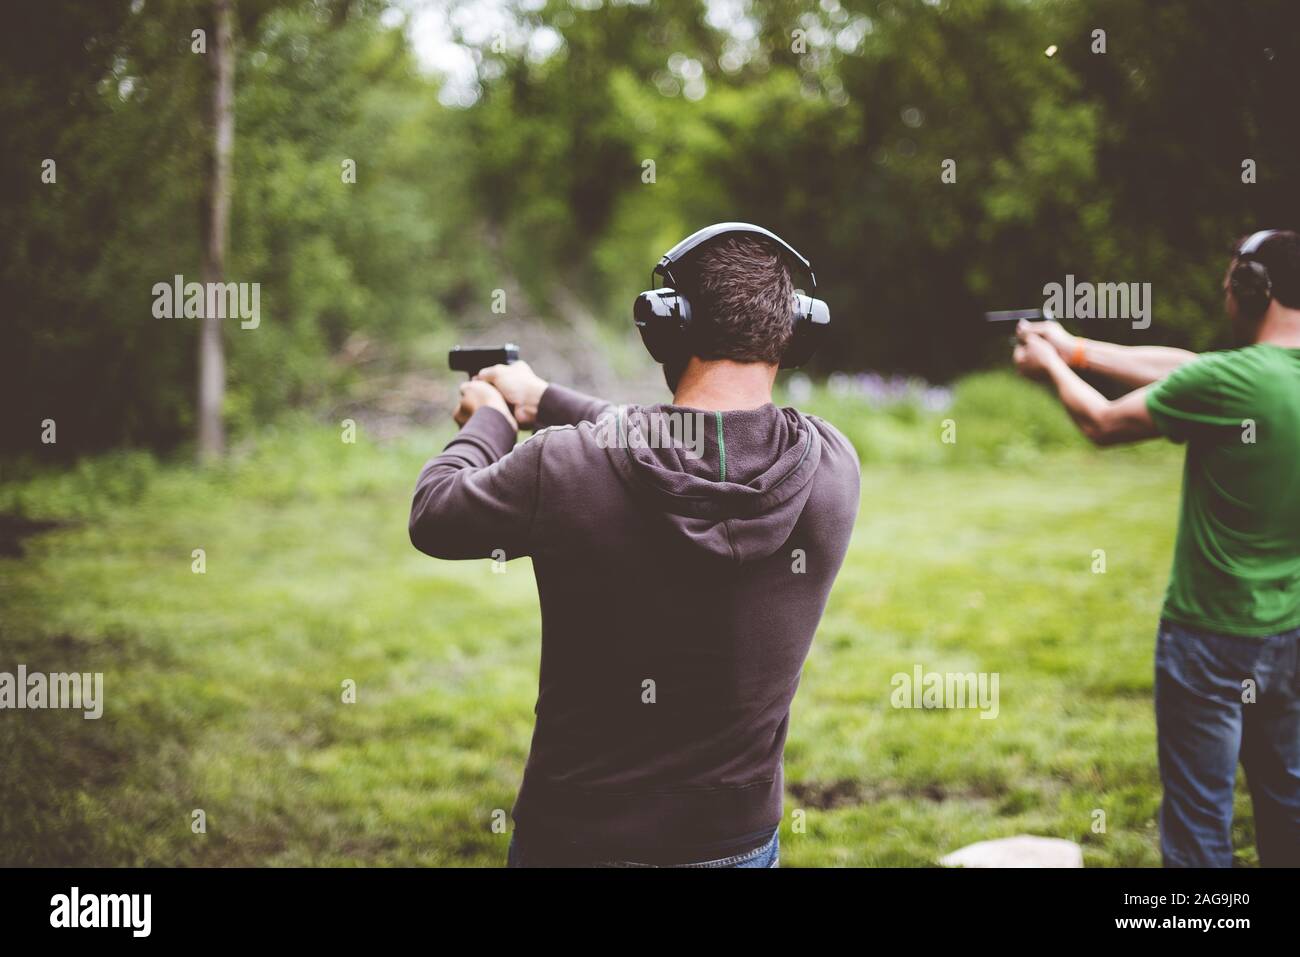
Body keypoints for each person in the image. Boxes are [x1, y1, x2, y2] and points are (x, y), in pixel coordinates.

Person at [409, 227, 860, 867]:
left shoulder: (564, 466)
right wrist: (547, 400)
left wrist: (490, 421)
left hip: (576, 839)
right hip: (737, 843)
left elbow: (433, 513)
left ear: (665, 329)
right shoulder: (832, 466)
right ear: (794, 331)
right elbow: (676, 438)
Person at [1012, 229, 1300, 867]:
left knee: (1200, 823)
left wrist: (1048, 363)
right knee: (1287, 808)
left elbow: (1102, 423)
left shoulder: (1235, 382)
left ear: (1256, 290)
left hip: (1210, 637)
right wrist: (1077, 348)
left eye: (1233, 281)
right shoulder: (1252, 377)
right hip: (1291, 633)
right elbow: (1193, 369)